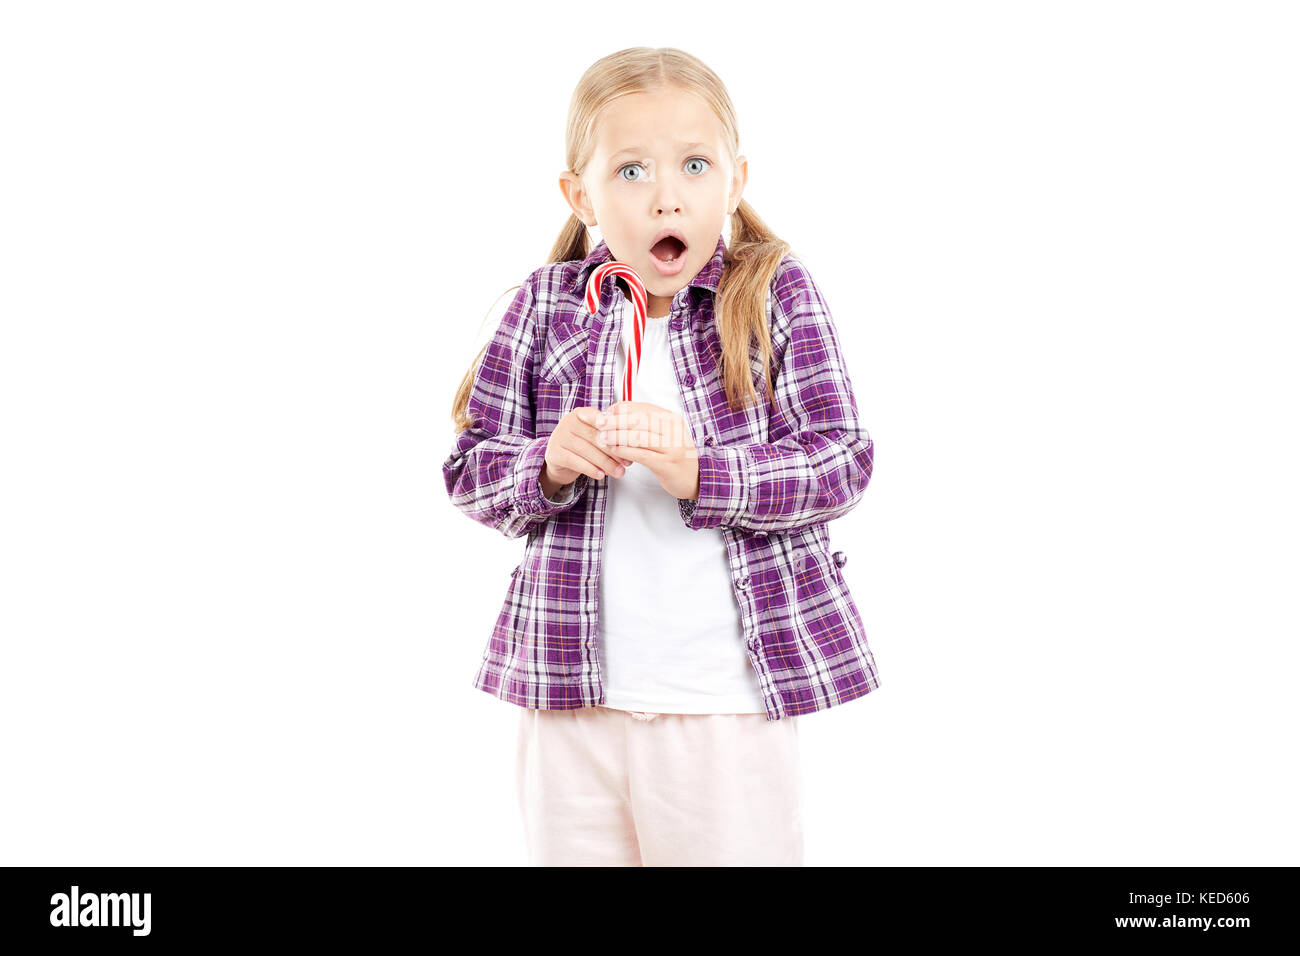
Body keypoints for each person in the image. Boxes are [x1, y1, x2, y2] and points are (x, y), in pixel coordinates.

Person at [443, 47, 880, 866]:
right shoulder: (545, 305)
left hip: (723, 706)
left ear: (735, 180)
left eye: (694, 165)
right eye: (632, 171)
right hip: (569, 702)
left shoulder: (772, 291)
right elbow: (470, 470)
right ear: (582, 195)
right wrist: (548, 464)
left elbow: (841, 460)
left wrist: (699, 473)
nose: (667, 196)